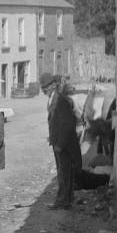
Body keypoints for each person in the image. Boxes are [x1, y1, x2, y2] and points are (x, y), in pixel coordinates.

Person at [41, 72, 82, 210]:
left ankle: (63, 201)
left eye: (45, 87)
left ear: (53, 85)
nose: (44, 90)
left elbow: (68, 125)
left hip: (64, 145)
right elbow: (56, 122)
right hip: (58, 142)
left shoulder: (61, 100)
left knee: (64, 173)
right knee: (63, 172)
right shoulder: (52, 98)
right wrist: (52, 137)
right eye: (42, 88)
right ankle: (66, 200)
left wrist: (60, 144)